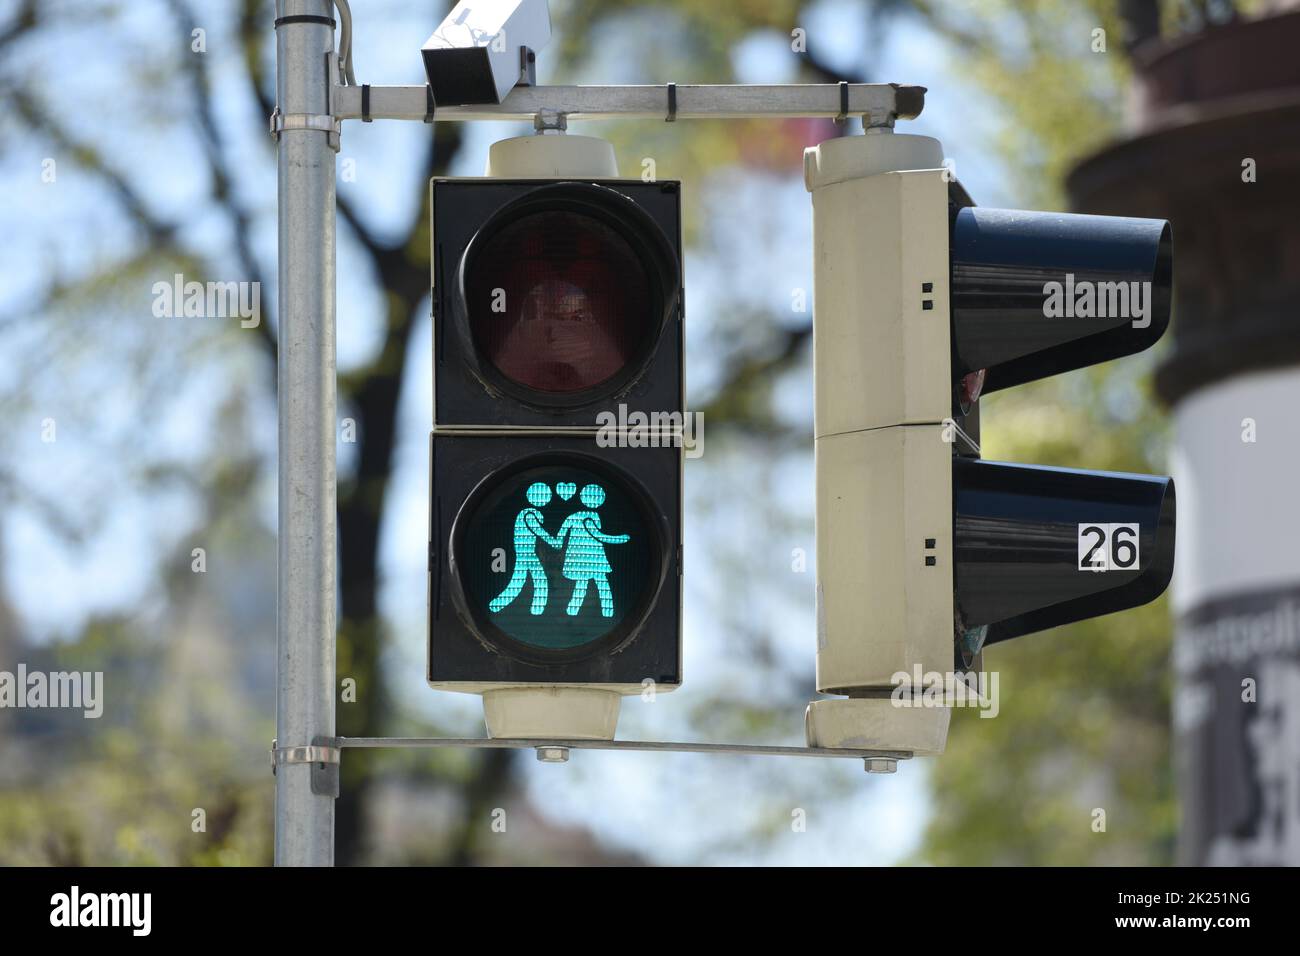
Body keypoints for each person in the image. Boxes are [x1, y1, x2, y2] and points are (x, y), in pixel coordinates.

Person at [555, 483, 630, 618]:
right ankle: (607, 612)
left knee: (582, 584)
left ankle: (572, 610)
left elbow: (562, 532)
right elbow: (598, 535)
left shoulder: (574, 516)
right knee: (602, 583)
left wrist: (557, 544)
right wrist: (620, 539)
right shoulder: (590, 517)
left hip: (578, 558)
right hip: (593, 558)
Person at [488, 482, 563, 616]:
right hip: (526, 553)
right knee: (533, 580)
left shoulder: (527, 513)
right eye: (545, 496)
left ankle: (499, 605)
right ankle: (536, 609)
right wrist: (554, 542)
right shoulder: (529, 514)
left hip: (526, 553)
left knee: (521, 582)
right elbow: (539, 531)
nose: (547, 499)